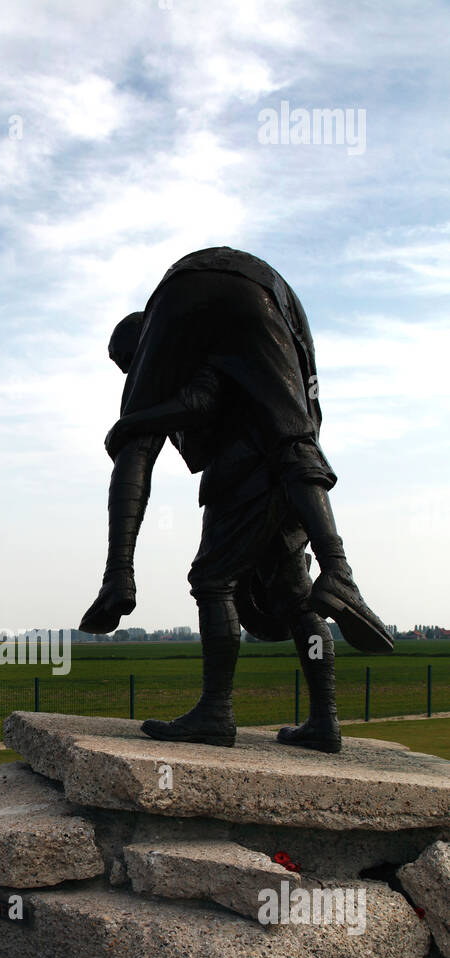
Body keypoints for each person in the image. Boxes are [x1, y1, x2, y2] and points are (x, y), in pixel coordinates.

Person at [79, 246, 393, 753]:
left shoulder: (179, 338)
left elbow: (196, 402)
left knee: (212, 580)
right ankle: (325, 714)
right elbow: (262, 412)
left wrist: (131, 423)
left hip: (242, 471)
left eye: (128, 364)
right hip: (275, 320)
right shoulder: (240, 356)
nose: (131, 375)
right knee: (299, 599)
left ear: (146, 342)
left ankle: (215, 710)